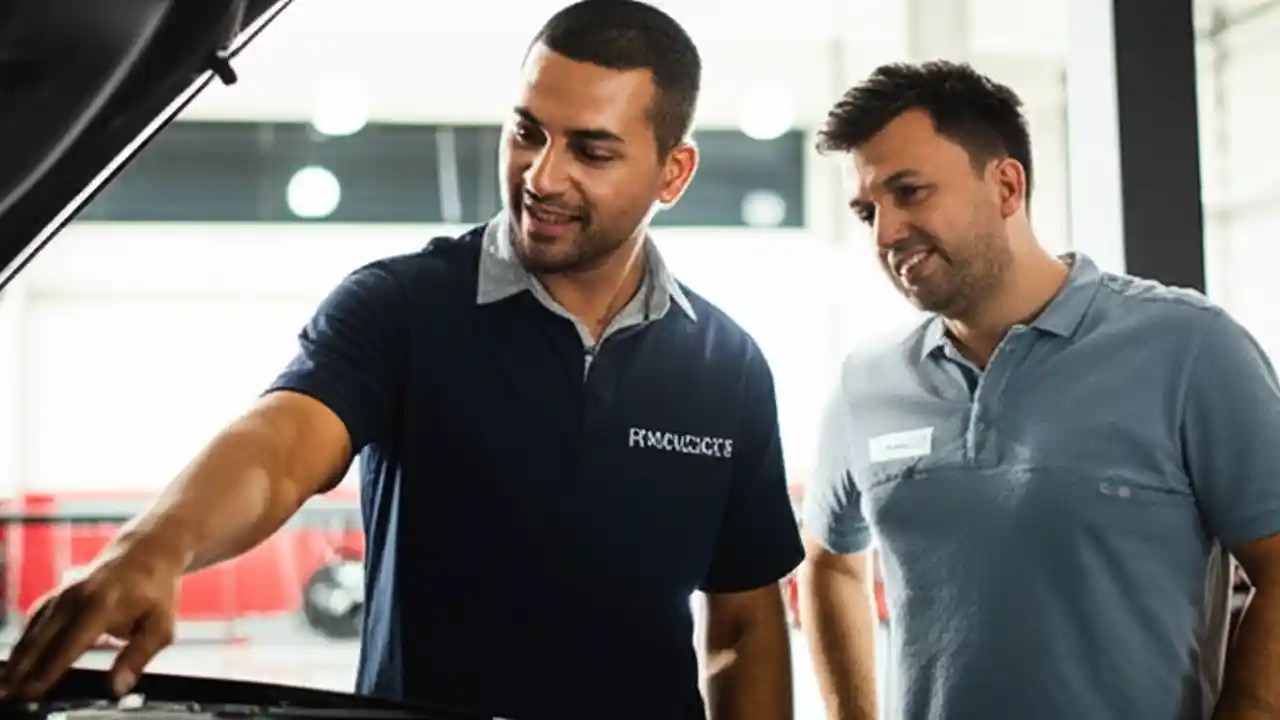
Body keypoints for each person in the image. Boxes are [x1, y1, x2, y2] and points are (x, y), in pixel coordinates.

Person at [0, 2, 804, 718]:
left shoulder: (726, 365)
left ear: (674, 172)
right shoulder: (405, 307)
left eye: (591, 151)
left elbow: (742, 626)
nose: (541, 175)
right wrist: (155, 547)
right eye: (528, 130)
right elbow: (281, 449)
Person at [798, 60, 1280, 720]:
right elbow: (829, 562)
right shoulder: (867, 382)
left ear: (1006, 186)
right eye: (866, 211)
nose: (885, 235)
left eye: (909, 192)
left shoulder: (1190, 347)